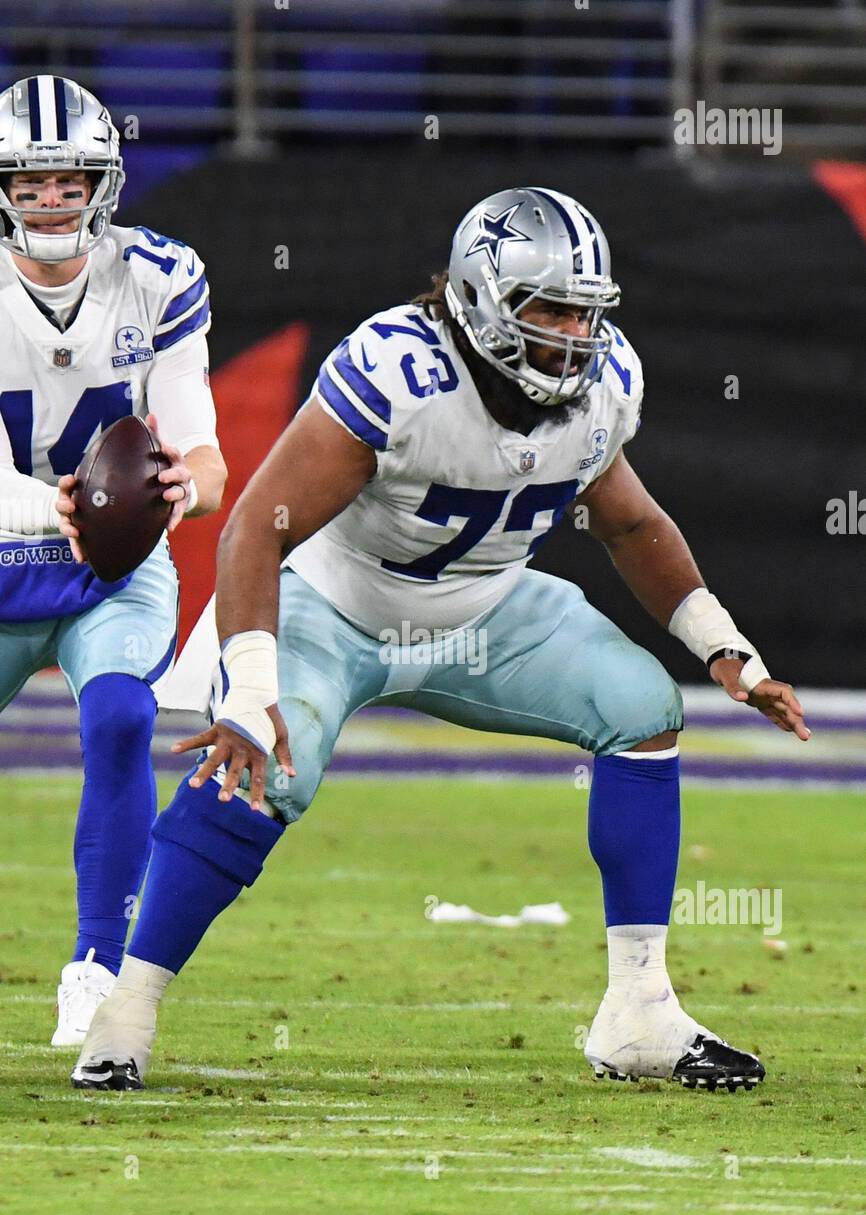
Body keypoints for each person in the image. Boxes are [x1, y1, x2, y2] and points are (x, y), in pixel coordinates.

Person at [72, 187, 808, 1093]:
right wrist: (251, 683)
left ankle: (640, 1014)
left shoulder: (606, 382)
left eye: (587, 312)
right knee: (262, 762)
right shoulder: (398, 372)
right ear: (480, 298)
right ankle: (127, 1010)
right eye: (550, 310)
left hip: (484, 612)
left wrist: (724, 647)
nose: (574, 335)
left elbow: (627, 522)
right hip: (334, 607)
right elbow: (257, 525)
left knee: (643, 708)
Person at [0, 75, 226, 1046]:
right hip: (5, 548)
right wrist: (53, 507)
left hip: (112, 568)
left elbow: (205, 455)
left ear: (107, 182)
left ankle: (96, 966)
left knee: (125, 714)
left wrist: (181, 487)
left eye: (70, 178)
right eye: (31, 180)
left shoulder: (161, 275)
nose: (52, 198)